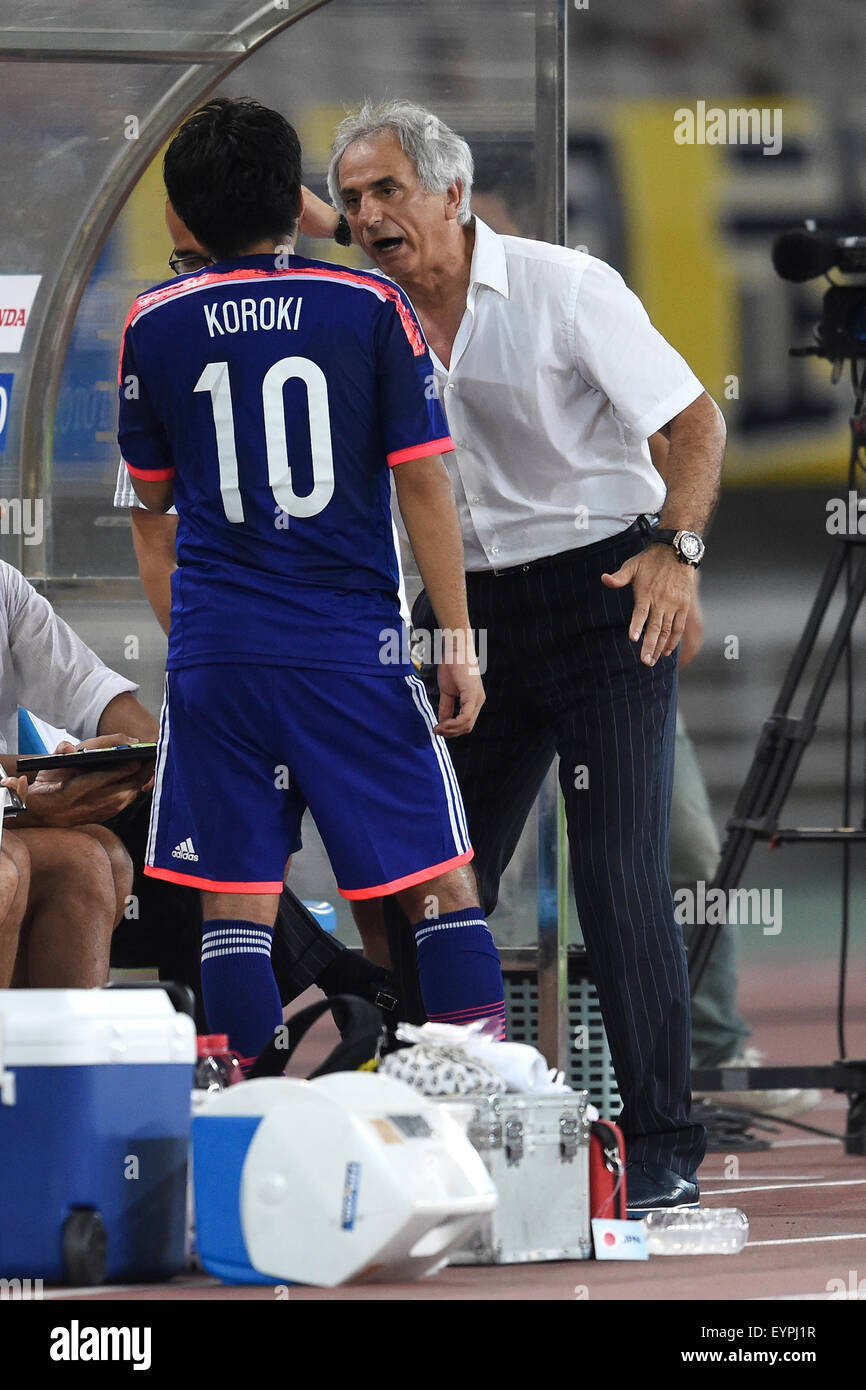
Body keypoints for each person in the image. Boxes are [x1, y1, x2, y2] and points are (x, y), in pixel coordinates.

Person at [299, 98, 728, 1215]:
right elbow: (305, 224)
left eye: (388, 190)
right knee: (432, 883)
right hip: (463, 611)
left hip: (601, 594)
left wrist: (675, 553)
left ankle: (663, 1141)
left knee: (618, 874)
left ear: (452, 191)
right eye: (351, 200)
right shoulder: (367, 302)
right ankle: (409, 1121)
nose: (366, 215)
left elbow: (693, 423)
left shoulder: (561, 286)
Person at [118, 97, 507, 1069]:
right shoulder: (371, 307)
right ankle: (479, 1111)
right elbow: (422, 480)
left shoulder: (151, 322)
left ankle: (253, 1129)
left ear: (180, 219)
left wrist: (200, 643)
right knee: (436, 886)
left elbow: (150, 520)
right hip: (348, 648)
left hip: (218, 655)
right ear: (296, 201)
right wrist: (453, 640)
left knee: (235, 901)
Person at [111, 200, 405, 1026]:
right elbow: (153, 539)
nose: (188, 276)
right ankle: (303, 1078)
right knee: (263, 887)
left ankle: (332, 1074)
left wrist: (211, 647)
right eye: (177, 264)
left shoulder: (173, 335)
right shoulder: (178, 355)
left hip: (303, 652)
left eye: (189, 256)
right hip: (303, 654)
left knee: (345, 888)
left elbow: (150, 532)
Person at [0, 559, 150, 988]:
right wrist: (28, 799)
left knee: (108, 852)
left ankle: (64, 1051)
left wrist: (169, 759)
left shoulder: (4, 586)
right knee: (53, 863)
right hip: (8, 800)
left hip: (9, 795)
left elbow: (87, 687)